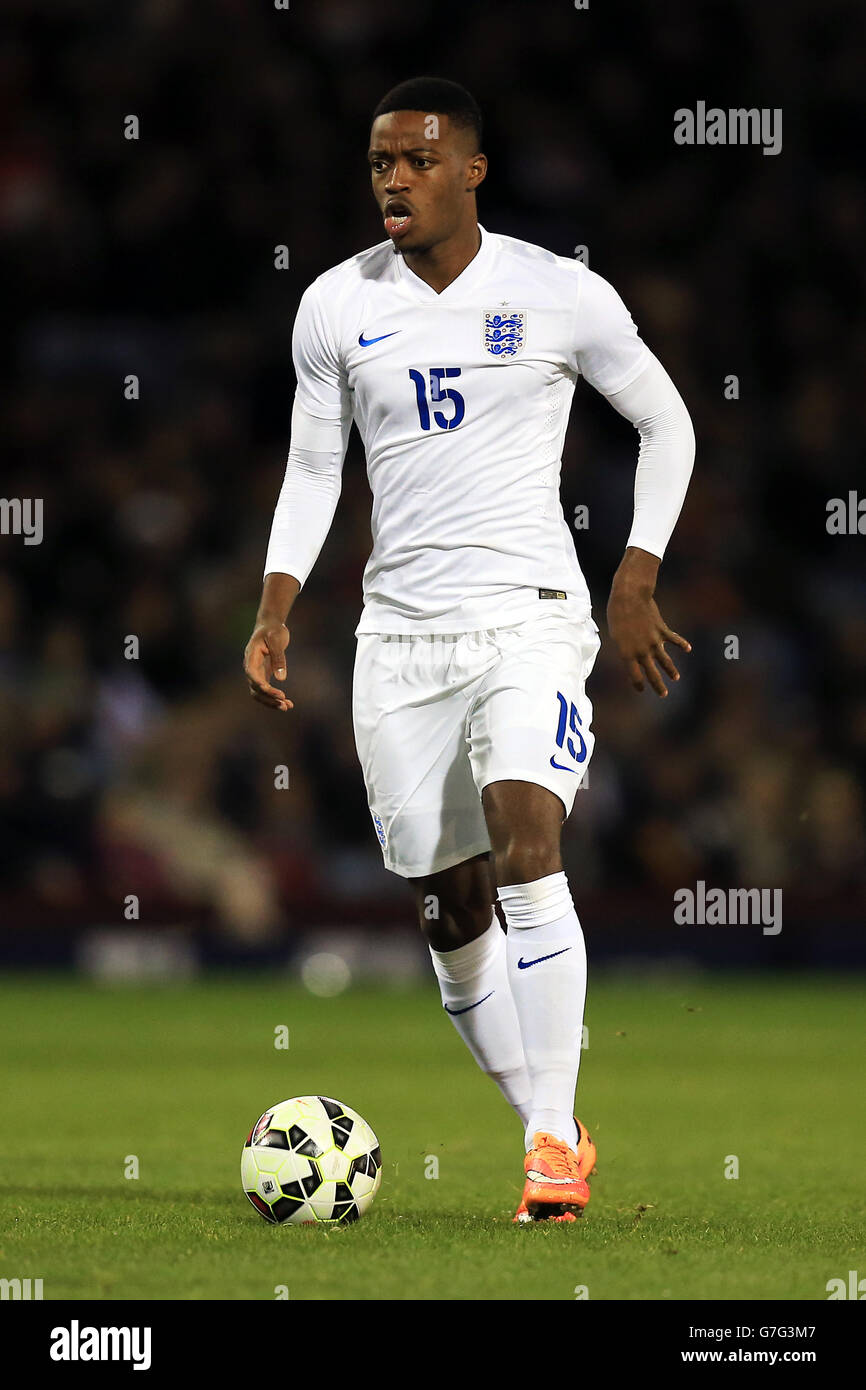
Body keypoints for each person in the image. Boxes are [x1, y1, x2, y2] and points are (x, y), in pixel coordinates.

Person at [243, 76, 695, 1222]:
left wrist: (634, 573)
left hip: (528, 614)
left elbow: (664, 421)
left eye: (415, 159)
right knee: (449, 910)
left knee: (525, 836)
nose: (392, 178)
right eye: (379, 162)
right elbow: (312, 469)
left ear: (470, 171)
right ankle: (553, 1124)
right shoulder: (337, 305)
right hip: (397, 634)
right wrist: (274, 605)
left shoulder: (556, 292)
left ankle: (547, 1143)